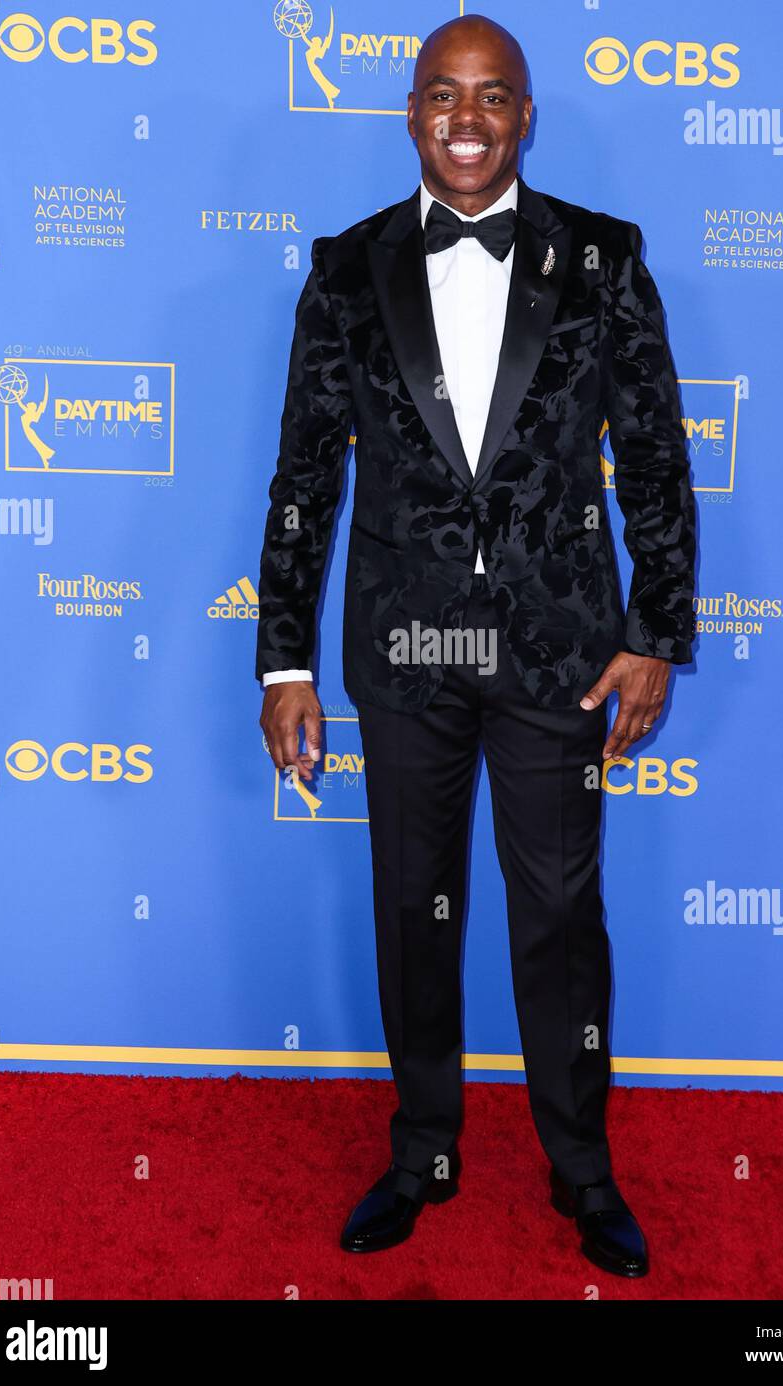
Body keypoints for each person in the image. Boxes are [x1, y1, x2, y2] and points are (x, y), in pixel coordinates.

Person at [256, 13, 697, 1279]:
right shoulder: (346, 269)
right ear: (409, 112)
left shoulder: (602, 260)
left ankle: (581, 1170)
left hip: (558, 654)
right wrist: (283, 656)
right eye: (443, 94)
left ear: (524, 117)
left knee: (560, 916)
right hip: (403, 651)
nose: (466, 117)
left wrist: (654, 629)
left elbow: (657, 462)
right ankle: (421, 1155)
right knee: (414, 910)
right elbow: (300, 478)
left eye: (492, 95)